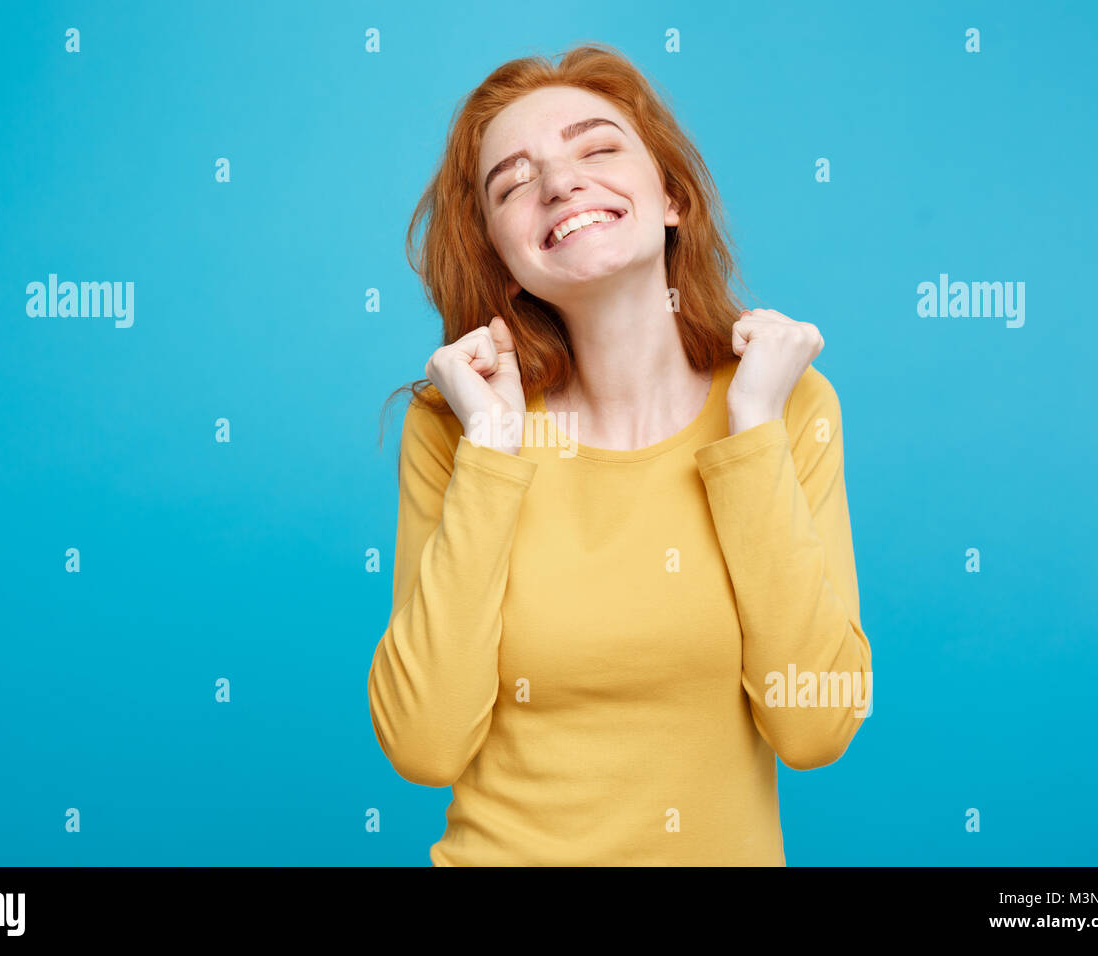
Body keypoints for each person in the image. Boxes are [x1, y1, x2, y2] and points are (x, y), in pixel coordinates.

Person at [368, 43, 873, 866]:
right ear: (502, 253)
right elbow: (424, 748)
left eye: (596, 147)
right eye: (513, 182)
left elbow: (815, 729)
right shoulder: (456, 426)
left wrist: (751, 433)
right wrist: (494, 452)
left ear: (670, 196)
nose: (560, 183)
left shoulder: (786, 403)